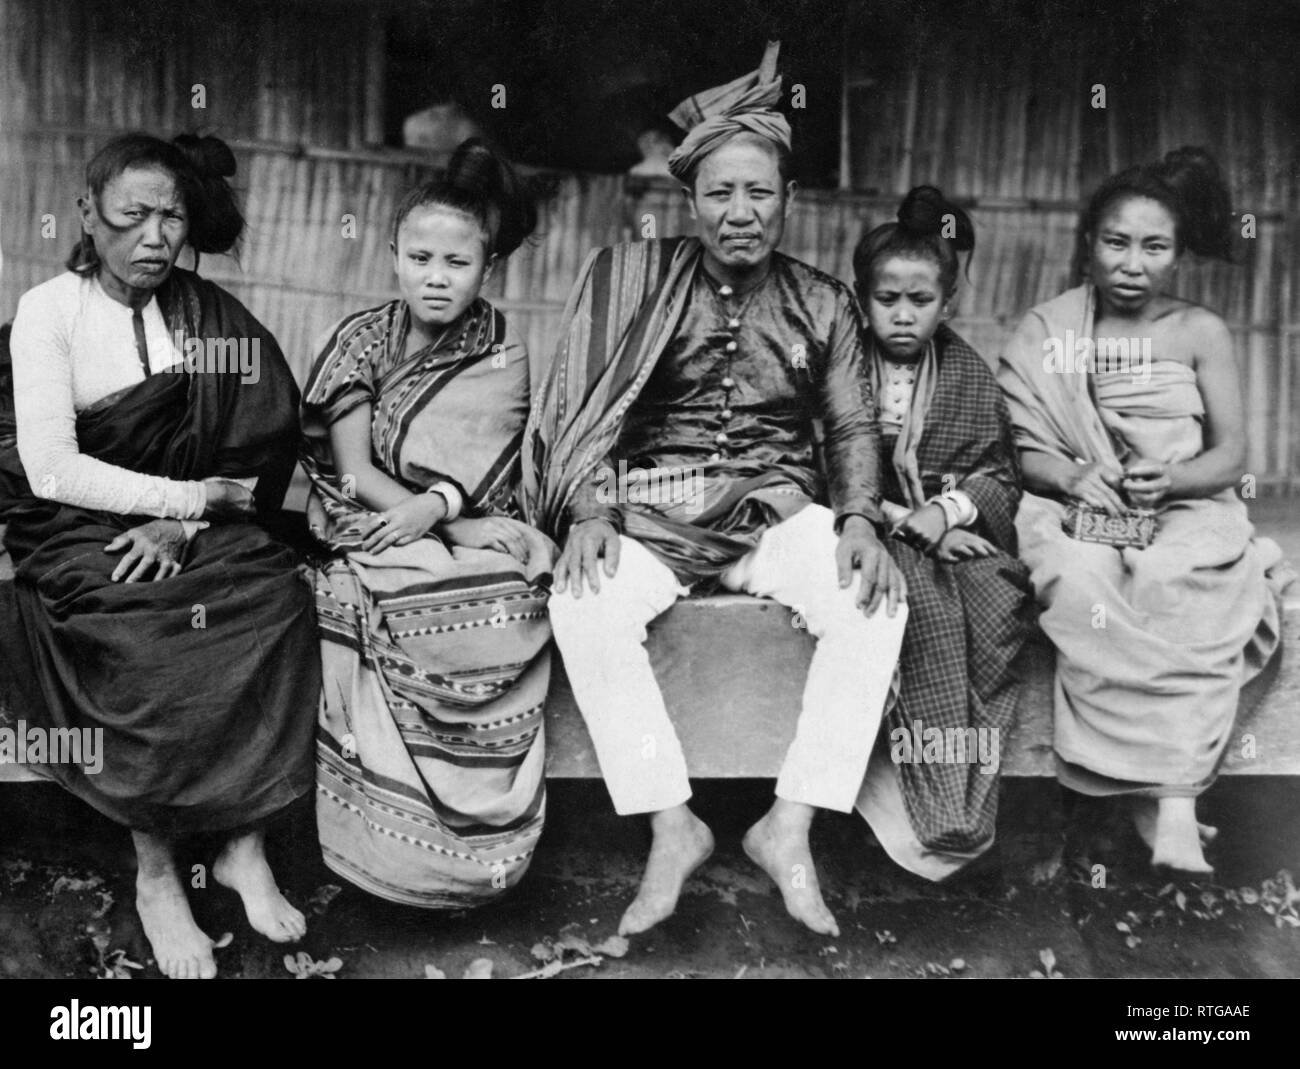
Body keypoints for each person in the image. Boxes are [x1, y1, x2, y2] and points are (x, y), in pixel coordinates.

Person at [525, 42, 908, 938]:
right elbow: (584, 410)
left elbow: (853, 425)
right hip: (653, 511)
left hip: (775, 510)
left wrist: (857, 518)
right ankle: (672, 823)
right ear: (688, 200)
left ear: (788, 199)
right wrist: (589, 509)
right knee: (581, 601)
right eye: (721, 194)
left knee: (875, 603)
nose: (741, 213)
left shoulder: (823, 302)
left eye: (760, 192)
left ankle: (791, 823)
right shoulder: (633, 284)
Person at [0, 133, 319, 978]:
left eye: (171, 215)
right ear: (87, 215)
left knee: (278, 598)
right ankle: (156, 870)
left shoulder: (207, 319)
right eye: (132, 214)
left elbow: (259, 449)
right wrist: (177, 502)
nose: (153, 235)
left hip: (198, 527)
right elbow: (51, 466)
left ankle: (246, 845)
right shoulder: (50, 312)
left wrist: (187, 523)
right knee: (142, 632)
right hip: (80, 530)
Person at [998, 147, 1288, 873]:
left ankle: (1174, 799)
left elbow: (1230, 457)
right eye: (1116, 242)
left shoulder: (1200, 331)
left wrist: (1177, 477)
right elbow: (1025, 453)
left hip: (1184, 507)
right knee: (1078, 572)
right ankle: (1156, 792)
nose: (1133, 263)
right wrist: (1073, 475)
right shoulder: (1052, 329)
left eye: (1154, 246)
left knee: (1179, 575)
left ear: (1178, 253)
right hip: (1082, 508)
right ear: (1088, 245)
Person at [301, 139, 554, 909]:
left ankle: (474, 839)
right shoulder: (362, 342)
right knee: (412, 586)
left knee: (510, 587)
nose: (436, 278)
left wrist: (450, 516)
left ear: (487, 268)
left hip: (462, 512)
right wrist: (431, 520)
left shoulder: (498, 349)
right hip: (363, 509)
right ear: (393, 257)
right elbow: (353, 472)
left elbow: (485, 469)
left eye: (457, 263)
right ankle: (391, 841)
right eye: (419, 258)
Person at [850, 187, 1034, 880]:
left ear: (946, 302)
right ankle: (917, 800)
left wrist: (947, 515)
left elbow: (999, 472)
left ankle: (964, 800)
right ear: (861, 297)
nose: (902, 313)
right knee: (920, 605)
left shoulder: (966, 372)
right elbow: (819, 466)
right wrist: (909, 524)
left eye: (920, 300)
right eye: (886, 298)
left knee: (994, 602)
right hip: (869, 529)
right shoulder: (840, 366)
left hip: (945, 529)